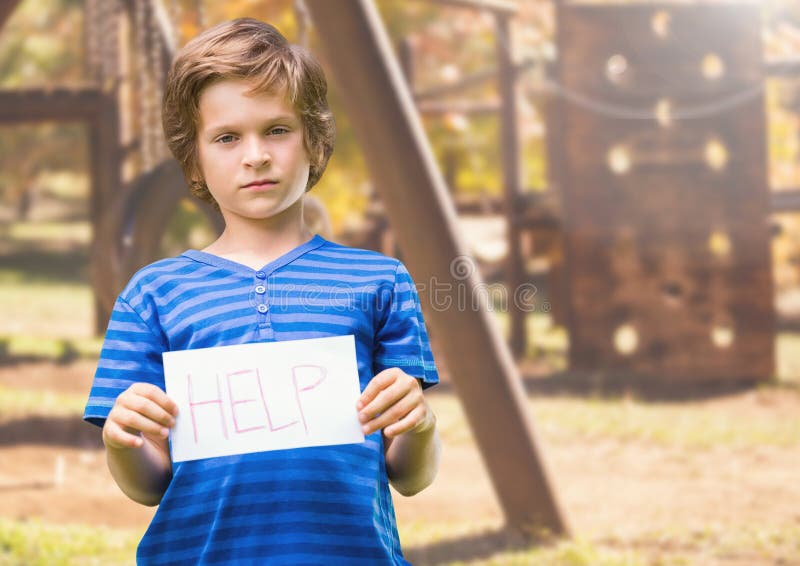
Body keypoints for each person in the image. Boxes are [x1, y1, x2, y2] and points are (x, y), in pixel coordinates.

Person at [84, 17, 440, 565]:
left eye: (277, 129)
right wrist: (120, 438)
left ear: (314, 141)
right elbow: (145, 486)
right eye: (227, 137)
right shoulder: (151, 295)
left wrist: (419, 423)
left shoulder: (380, 281)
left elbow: (410, 476)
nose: (255, 155)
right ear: (194, 156)